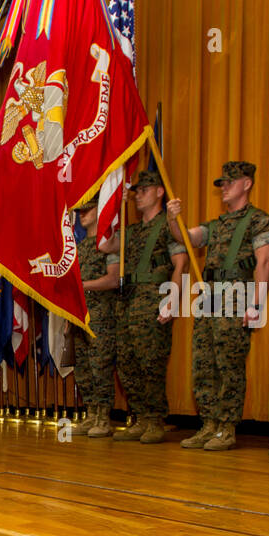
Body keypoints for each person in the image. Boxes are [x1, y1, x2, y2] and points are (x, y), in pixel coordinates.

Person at [167, 161, 269, 451]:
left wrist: (257, 304)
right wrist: (171, 219)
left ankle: (226, 427)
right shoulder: (215, 225)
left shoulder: (260, 221)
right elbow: (186, 238)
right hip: (210, 295)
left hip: (238, 293)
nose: (224, 187)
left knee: (229, 363)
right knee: (203, 361)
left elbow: (265, 262)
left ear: (247, 183)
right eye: (222, 184)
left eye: (230, 182)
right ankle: (209, 424)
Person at [103, 169, 187, 443]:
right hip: (128, 302)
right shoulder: (132, 230)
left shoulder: (167, 225)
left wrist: (172, 300)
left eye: (144, 190)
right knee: (128, 363)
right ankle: (140, 416)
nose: (138, 196)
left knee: (151, 362)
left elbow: (180, 264)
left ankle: (155, 419)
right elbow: (105, 245)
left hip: (154, 298)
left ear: (159, 192)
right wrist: (113, 206)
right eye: (135, 191)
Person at [72, 202, 121, 437]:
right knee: (83, 368)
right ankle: (91, 412)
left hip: (102, 315)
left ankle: (103, 416)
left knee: (100, 366)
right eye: (80, 212)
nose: (82, 215)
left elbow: (113, 279)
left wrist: (81, 287)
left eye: (87, 211)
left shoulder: (108, 246)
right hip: (80, 316)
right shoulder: (79, 247)